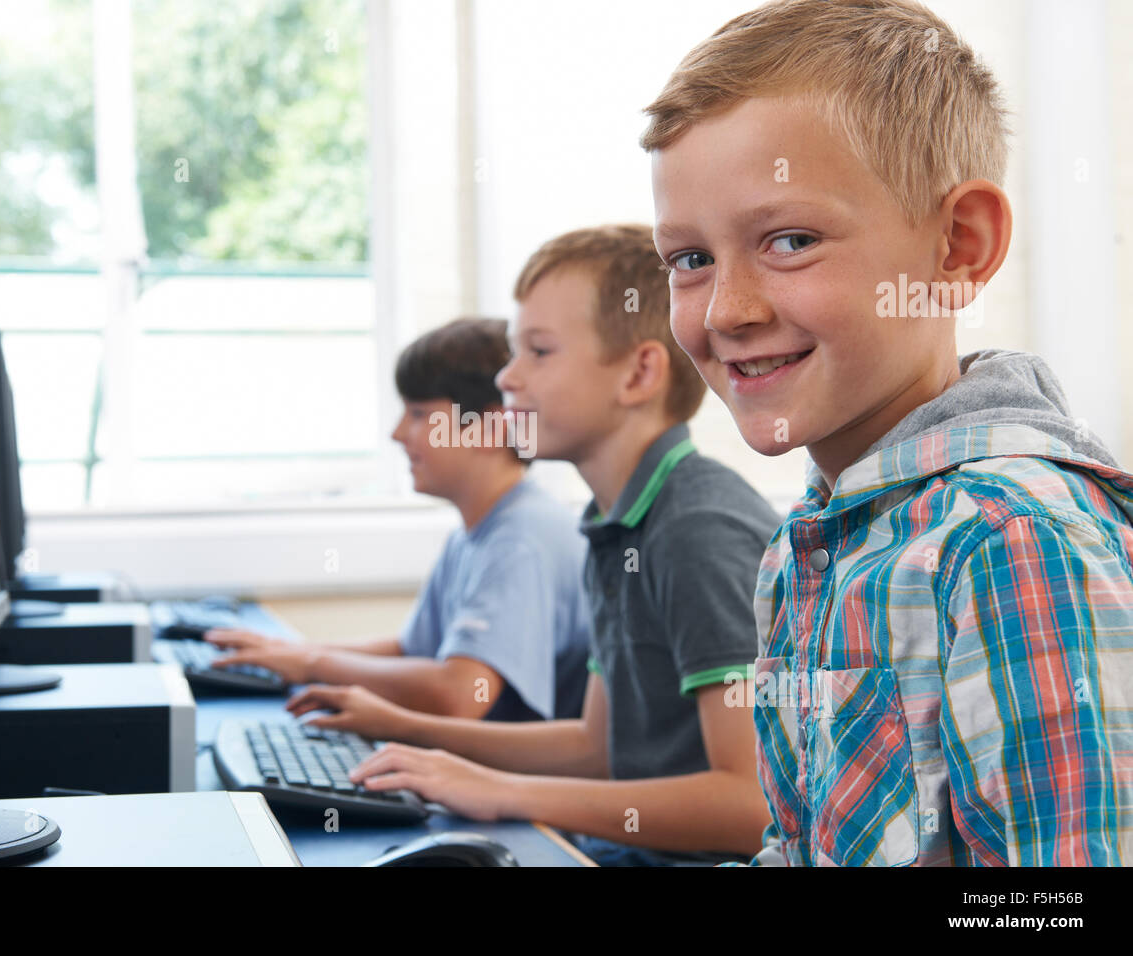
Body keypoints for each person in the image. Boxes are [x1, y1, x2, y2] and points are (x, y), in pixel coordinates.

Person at [645, 0, 1133, 864]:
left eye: (790, 240)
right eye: (691, 260)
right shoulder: (812, 542)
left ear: (958, 247)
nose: (727, 310)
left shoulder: (1008, 540)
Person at [290, 225, 781, 864]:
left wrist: (504, 791)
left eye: (539, 352)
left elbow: (752, 807)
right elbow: (597, 747)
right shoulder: (615, 522)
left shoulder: (695, 529)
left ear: (638, 373)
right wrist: (409, 733)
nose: (506, 378)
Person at [208, 317, 592, 722]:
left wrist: (314, 664)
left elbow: (460, 695)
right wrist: (291, 653)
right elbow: (412, 650)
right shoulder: (477, 531)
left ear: (492, 428)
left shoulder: (522, 539)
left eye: (418, 413)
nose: (396, 433)